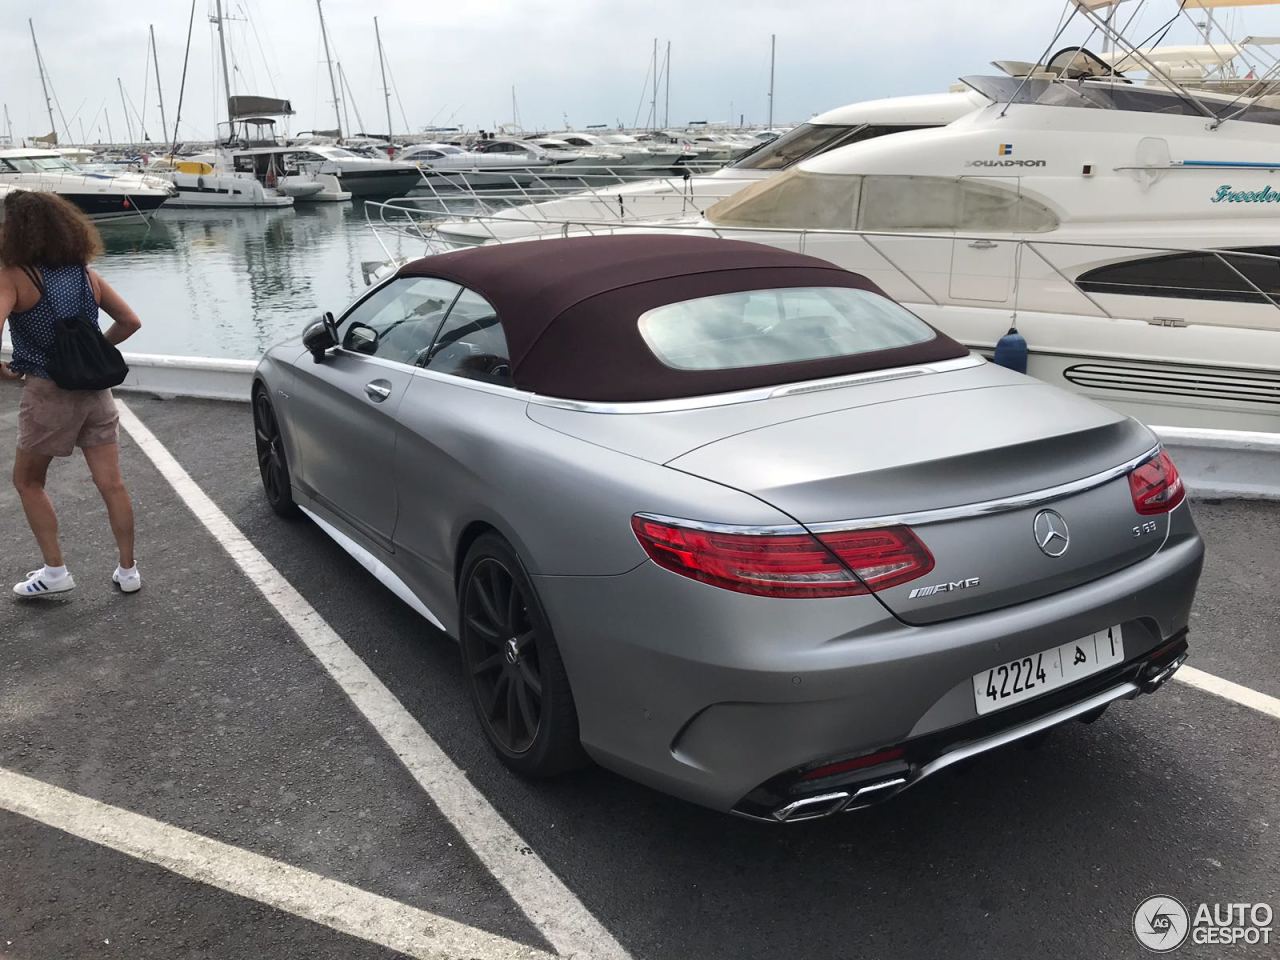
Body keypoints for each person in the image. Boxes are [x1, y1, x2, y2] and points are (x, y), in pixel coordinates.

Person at [0, 190, 143, 598]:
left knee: (27, 481)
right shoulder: (84, 273)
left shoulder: (15, 275)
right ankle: (128, 570)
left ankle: (56, 571)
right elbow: (130, 321)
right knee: (111, 483)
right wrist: (97, 351)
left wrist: (5, 371)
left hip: (49, 393)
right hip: (96, 392)